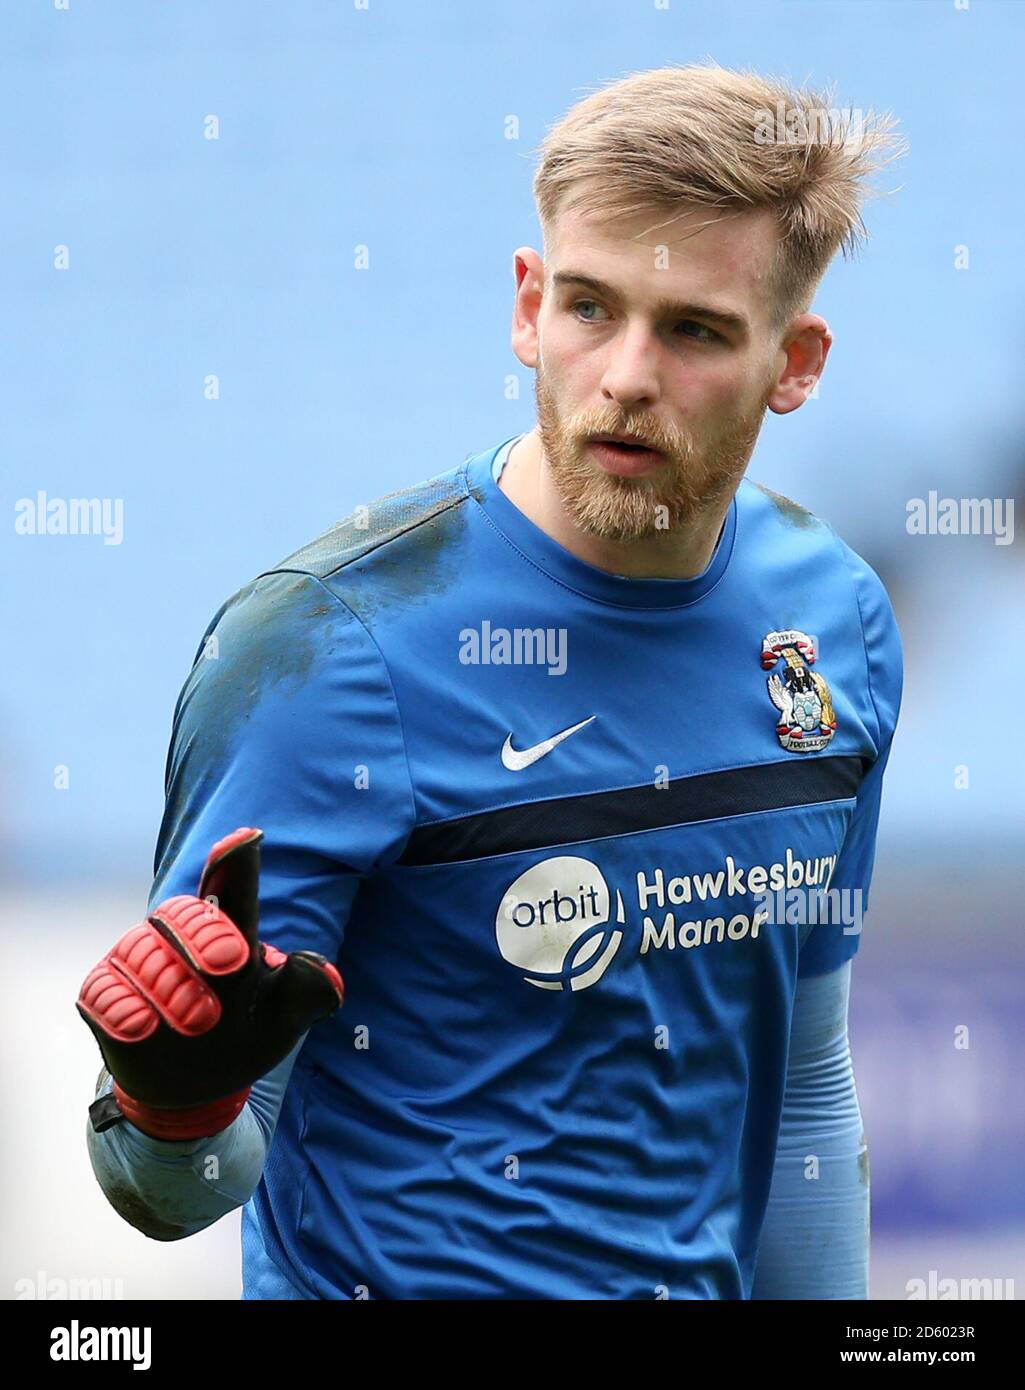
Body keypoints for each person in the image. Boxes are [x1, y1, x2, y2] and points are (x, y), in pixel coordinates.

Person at [78, 62, 905, 1300]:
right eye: (588, 309)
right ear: (527, 307)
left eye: (691, 330)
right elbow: (168, 1195)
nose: (625, 374)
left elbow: (801, 1091)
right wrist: (173, 1110)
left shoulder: (830, 623)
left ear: (794, 359)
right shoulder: (327, 651)